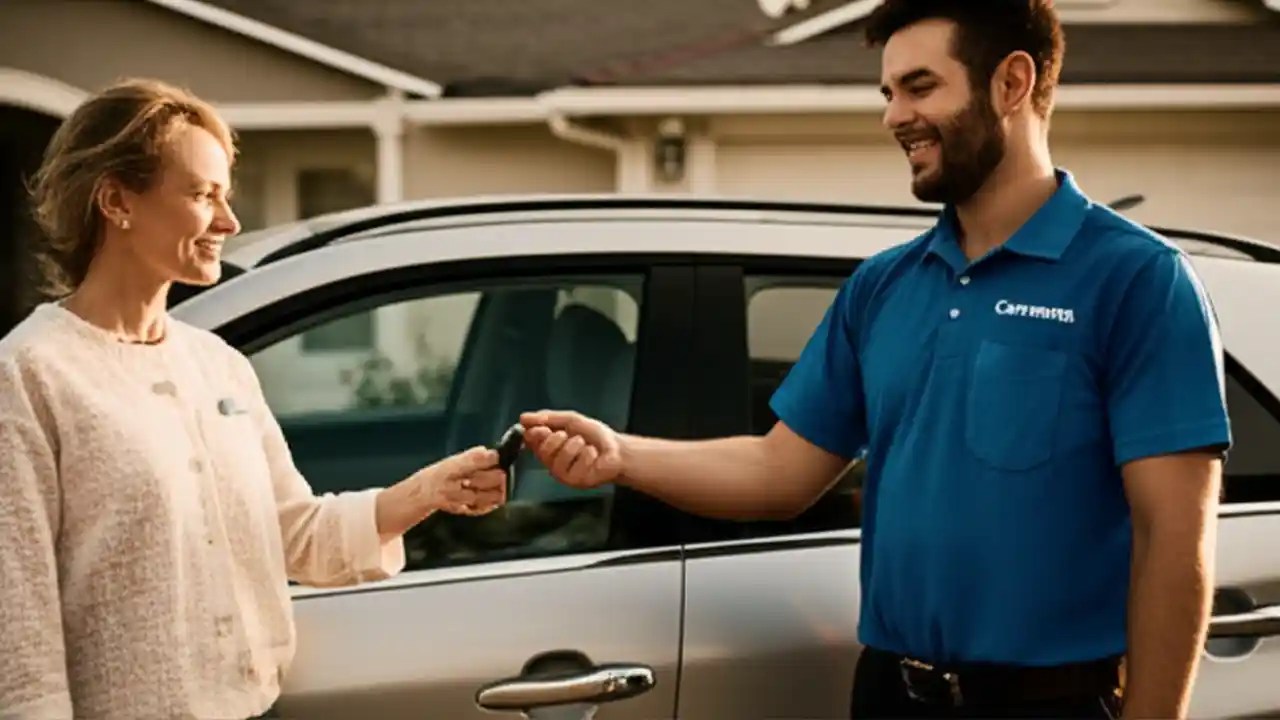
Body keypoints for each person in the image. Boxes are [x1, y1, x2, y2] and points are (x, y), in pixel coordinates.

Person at [519, 1, 1231, 718]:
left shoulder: (1137, 280)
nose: (894, 117)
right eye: (889, 93)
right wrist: (622, 456)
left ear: (1011, 83)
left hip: (1051, 703)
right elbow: (777, 471)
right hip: (892, 695)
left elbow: (1172, 538)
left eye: (921, 87)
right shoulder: (883, 286)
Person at [0, 78, 508, 720]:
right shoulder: (29, 375)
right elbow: (20, 645)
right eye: (202, 194)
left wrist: (426, 492)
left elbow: (297, 536)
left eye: (226, 195)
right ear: (117, 200)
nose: (229, 221)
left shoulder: (219, 367)